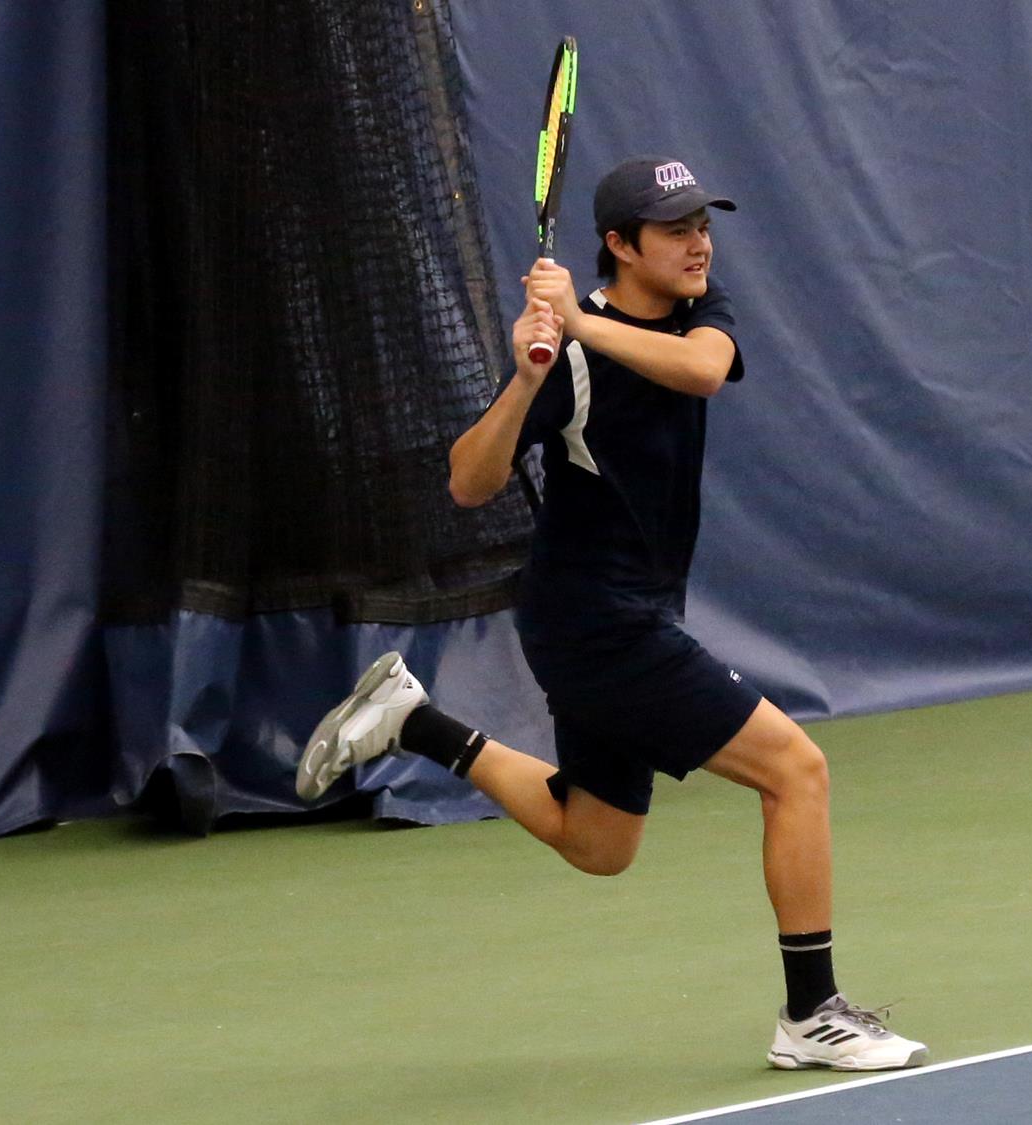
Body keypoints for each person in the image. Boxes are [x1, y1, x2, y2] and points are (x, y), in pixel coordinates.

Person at [296, 155, 925, 1072]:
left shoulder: (698, 316)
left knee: (597, 841)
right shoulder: (572, 363)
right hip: (594, 619)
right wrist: (526, 378)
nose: (699, 244)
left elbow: (704, 373)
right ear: (621, 245)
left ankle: (414, 721)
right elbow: (468, 483)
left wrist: (585, 322)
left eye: (703, 225)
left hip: (624, 611)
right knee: (798, 770)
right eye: (675, 231)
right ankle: (811, 1012)